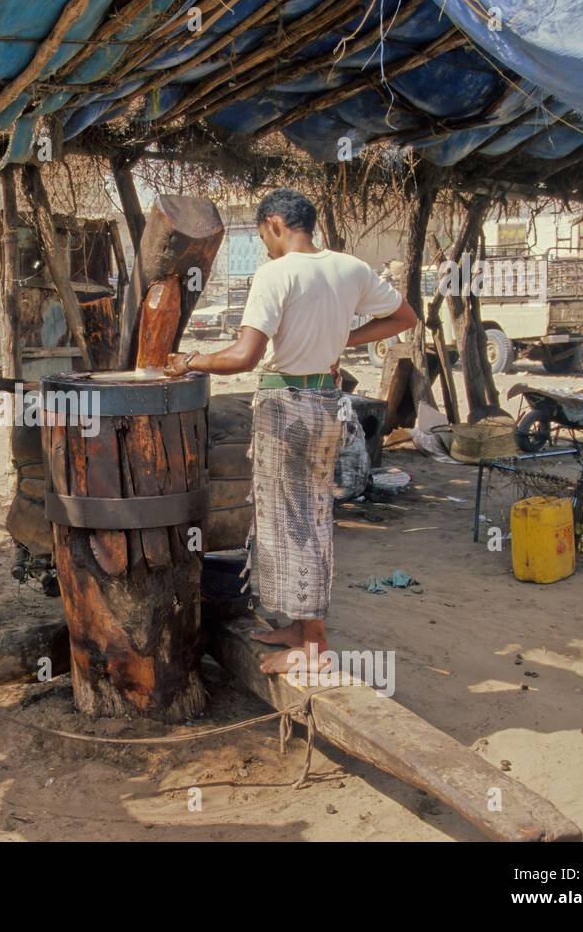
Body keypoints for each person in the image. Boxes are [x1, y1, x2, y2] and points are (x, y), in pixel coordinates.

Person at [165, 189, 417, 673]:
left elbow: (244, 357)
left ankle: (314, 648)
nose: (264, 247)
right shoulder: (350, 268)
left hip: (287, 405)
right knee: (295, 517)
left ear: (276, 224)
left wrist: (189, 361)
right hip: (325, 402)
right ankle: (298, 628)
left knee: (300, 522)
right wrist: (344, 337)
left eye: (263, 236)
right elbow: (404, 317)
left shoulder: (275, 275)